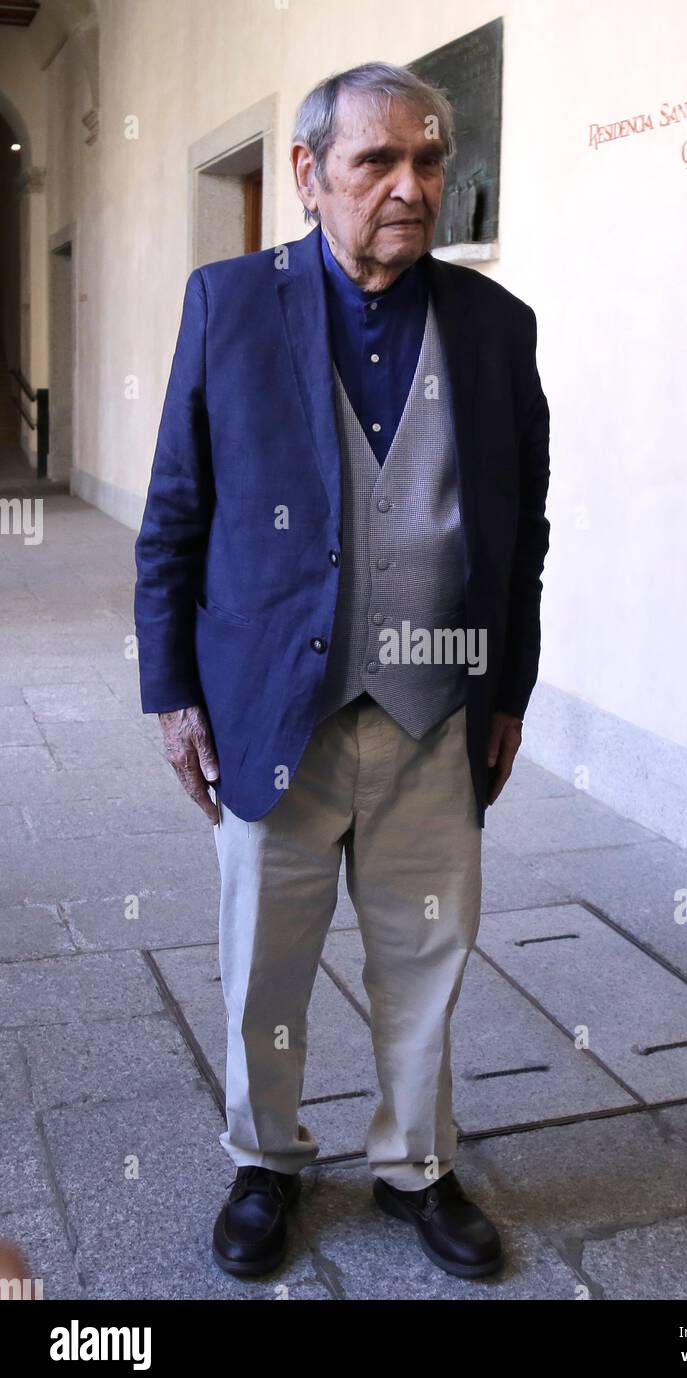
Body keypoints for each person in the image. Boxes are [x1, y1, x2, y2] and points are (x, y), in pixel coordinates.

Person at [134, 60, 550, 1281]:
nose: (410, 187)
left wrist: (508, 691)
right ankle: (266, 1160)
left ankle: (414, 1165)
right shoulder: (228, 304)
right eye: (378, 162)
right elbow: (173, 514)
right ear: (308, 175)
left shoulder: (492, 327)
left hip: (433, 712)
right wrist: (169, 691)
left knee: (426, 954)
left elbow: (522, 529)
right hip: (277, 708)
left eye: (429, 161)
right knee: (265, 953)